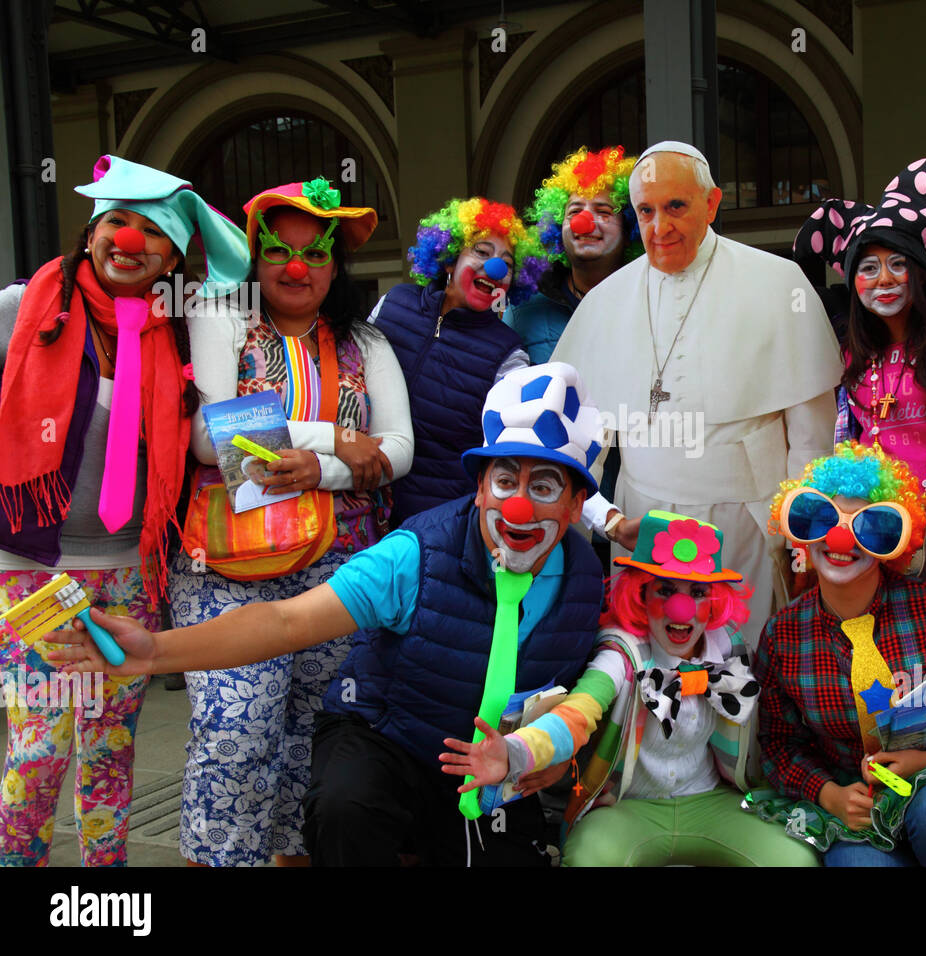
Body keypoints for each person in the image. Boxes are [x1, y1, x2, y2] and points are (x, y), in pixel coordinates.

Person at [52, 363, 607, 867]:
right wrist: (155, 651)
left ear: (576, 505)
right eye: (505, 481)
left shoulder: (585, 581)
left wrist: (556, 758)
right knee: (348, 810)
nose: (518, 506)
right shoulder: (418, 555)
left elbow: (595, 689)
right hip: (391, 739)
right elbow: (286, 623)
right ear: (481, 487)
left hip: (492, 769)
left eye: (544, 487)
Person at [0, 154, 249, 866]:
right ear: (90, 231)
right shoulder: (26, 307)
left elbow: (213, 425)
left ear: (172, 255)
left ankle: (103, 891)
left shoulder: (174, 328)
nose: (129, 242)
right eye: (117, 222)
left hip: (132, 565)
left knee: (110, 748)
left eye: (151, 232)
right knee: (39, 746)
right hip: (33, 565)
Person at [174, 177, 413, 867]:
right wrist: (336, 439)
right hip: (230, 565)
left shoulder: (369, 344)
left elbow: (399, 449)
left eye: (314, 253)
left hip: (339, 568)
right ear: (254, 257)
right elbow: (210, 438)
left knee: (316, 734)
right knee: (237, 731)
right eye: (278, 250)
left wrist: (320, 470)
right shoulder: (220, 314)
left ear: (337, 265)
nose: (295, 267)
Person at [552, 141, 842, 646]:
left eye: (675, 207)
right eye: (645, 211)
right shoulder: (604, 303)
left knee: (739, 670)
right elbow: (578, 446)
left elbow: (812, 439)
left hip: (747, 525)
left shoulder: (778, 283)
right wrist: (598, 523)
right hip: (642, 527)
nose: (659, 227)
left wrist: (805, 541)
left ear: (712, 203)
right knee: (648, 671)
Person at [440, 510, 818, 866]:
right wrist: (515, 752)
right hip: (626, 806)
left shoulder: (729, 649)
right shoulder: (622, 654)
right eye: (665, 591)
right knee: (590, 860)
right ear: (640, 594)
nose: (681, 608)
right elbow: (577, 713)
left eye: (697, 593)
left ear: (713, 601)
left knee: (796, 858)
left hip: (712, 801)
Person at [749, 441, 926, 866]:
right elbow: (779, 744)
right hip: (856, 806)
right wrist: (827, 794)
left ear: (896, 541)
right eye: (822, 519)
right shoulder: (784, 635)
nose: (841, 538)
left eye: (870, 526)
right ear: (801, 531)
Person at [795, 157, 926, 603]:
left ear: (919, 271)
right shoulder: (853, 356)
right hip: (879, 536)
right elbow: (846, 454)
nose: (884, 280)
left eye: (897, 263)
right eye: (868, 268)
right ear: (853, 282)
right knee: (897, 660)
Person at [370, 197, 548, 525]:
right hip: (363, 508)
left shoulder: (508, 356)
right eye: (481, 252)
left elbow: (513, 450)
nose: (494, 268)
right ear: (450, 260)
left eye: (507, 264)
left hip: (436, 525)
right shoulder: (392, 305)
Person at [505, 145, 642, 364]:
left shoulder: (649, 302)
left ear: (628, 229)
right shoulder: (523, 309)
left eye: (604, 212)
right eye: (575, 211)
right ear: (558, 228)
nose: (584, 223)